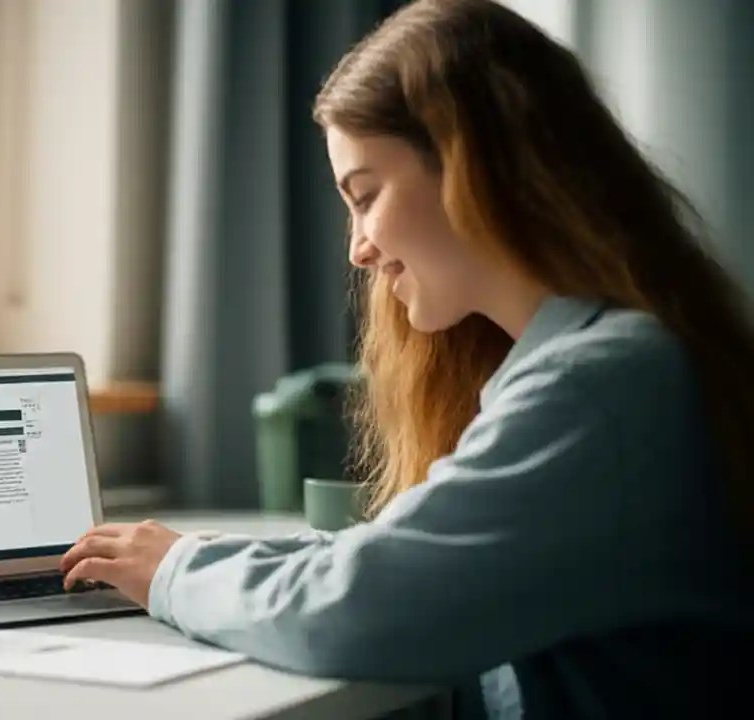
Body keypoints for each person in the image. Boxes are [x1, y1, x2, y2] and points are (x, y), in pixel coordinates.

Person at [58, 0, 754, 717]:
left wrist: (174, 571)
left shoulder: (604, 384)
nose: (358, 248)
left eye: (366, 196)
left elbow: (352, 612)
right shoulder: (615, 359)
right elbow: (398, 562)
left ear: (471, 166)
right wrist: (201, 555)